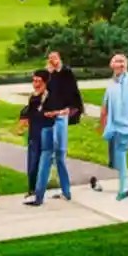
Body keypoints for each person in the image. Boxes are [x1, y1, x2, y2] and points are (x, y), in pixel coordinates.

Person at [34, 51, 82, 204]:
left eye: (54, 58)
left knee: (55, 155)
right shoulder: (49, 77)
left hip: (59, 117)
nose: (52, 61)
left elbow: (72, 95)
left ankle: (60, 192)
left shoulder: (65, 75)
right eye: (50, 59)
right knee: (50, 154)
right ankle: (43, 193)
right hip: (53, 118)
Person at [101, 53, 128, 201]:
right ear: (111, 64)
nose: (120, 64)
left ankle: (124, 188)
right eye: (116, 61)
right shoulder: (111, 84)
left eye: (122, 62)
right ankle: (126, 182)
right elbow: (105, 105)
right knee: (115, 159)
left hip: (126, 126)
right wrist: (103, 122)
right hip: (113, 127)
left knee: (121, 155)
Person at [19, 70, 53, 204]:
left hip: (45, 133)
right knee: (32, 163)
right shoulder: (33, 96)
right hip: (34, 133)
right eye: (34, 81)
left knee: (43, 164)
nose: (36, 84)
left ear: (45, 82)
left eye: (39, 81)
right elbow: (29, 112)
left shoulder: (49, 97)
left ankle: (38, 192)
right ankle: (32, 190)